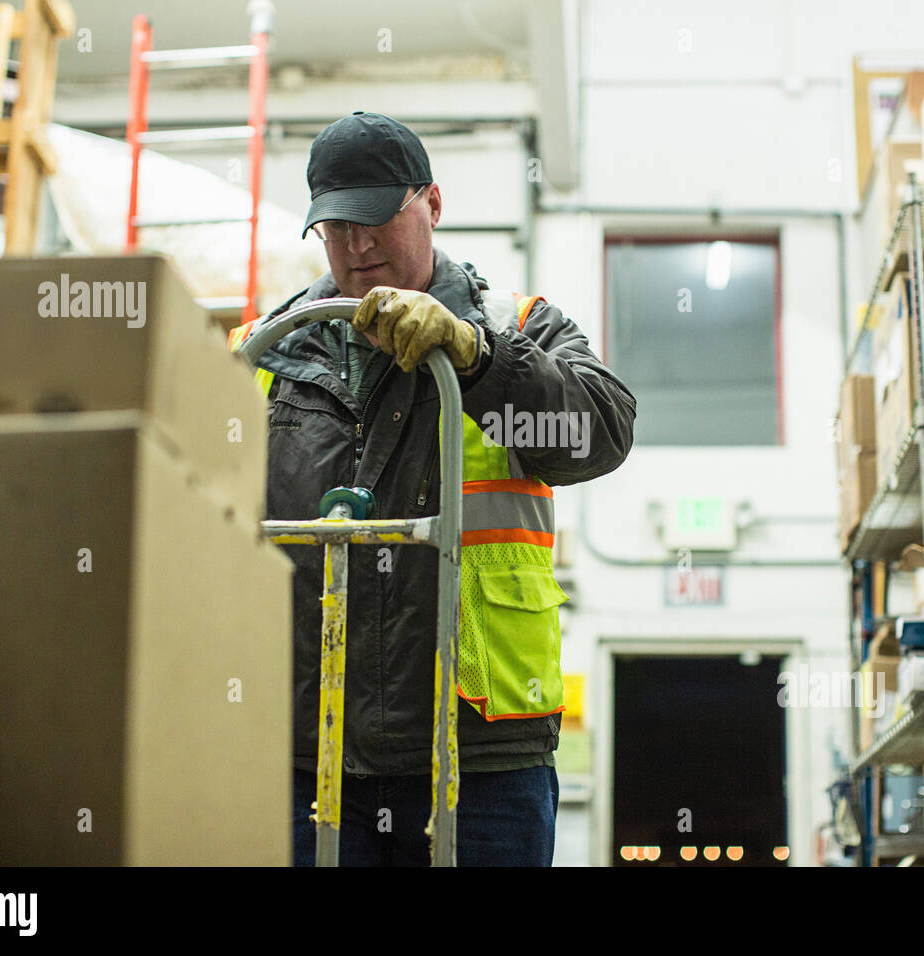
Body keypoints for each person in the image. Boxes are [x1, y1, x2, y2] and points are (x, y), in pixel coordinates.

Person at [233, 111, 635, 866]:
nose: (358, 247)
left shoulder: (518, 325)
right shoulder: (266, 351)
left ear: (434, 205)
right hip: (305, 748)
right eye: (336, 227)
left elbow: (596, 437)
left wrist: (479, 358)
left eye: (379, 219)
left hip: (480, 752)